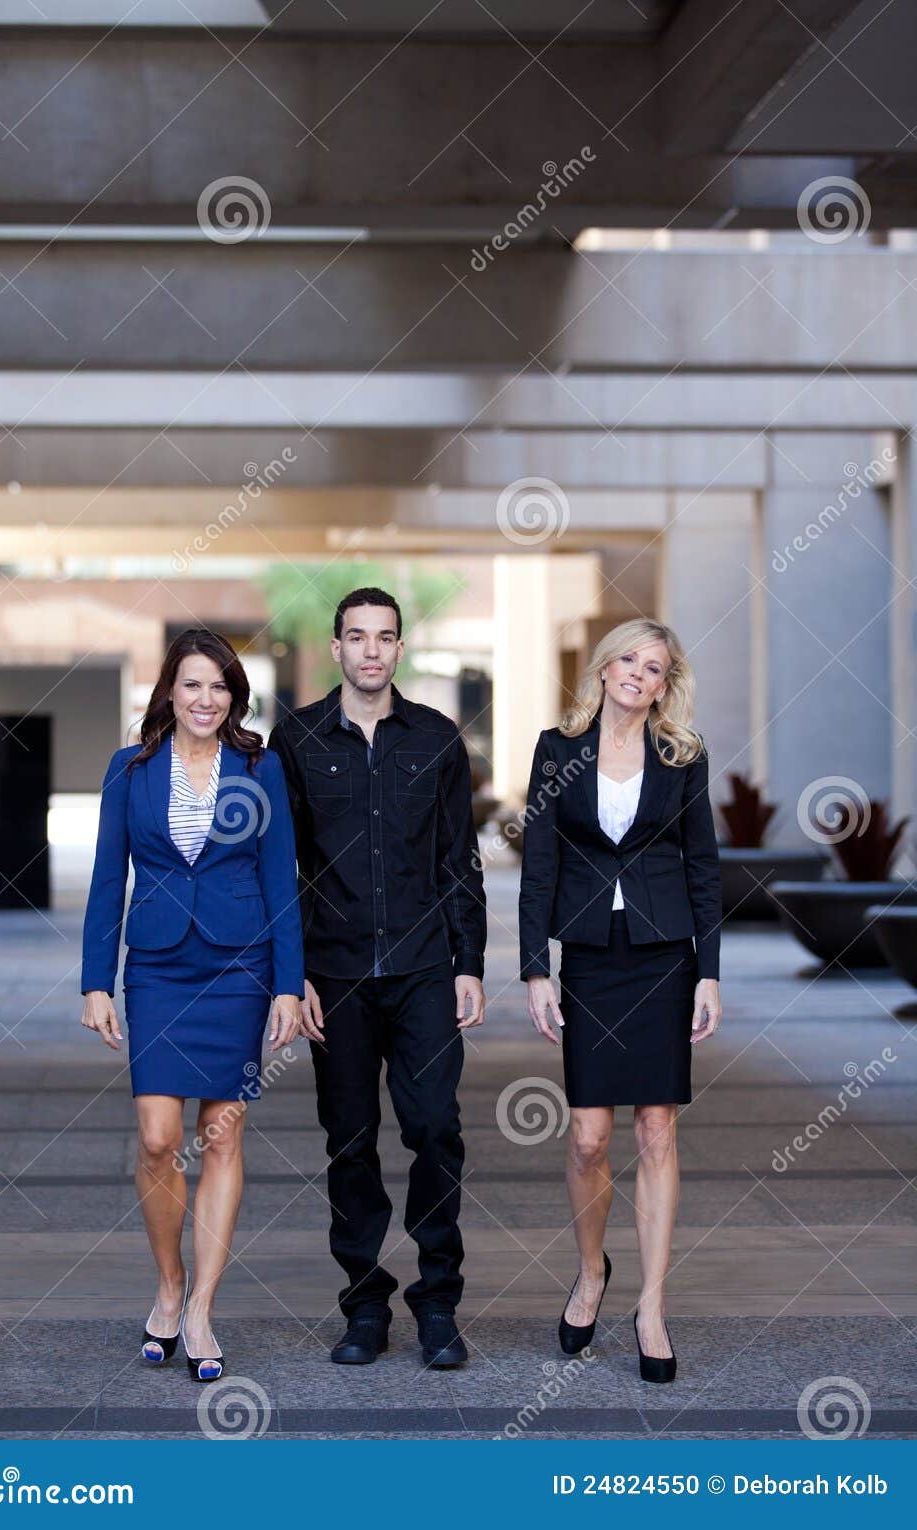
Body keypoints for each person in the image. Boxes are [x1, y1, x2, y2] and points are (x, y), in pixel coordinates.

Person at [268, 587, 487, 1369]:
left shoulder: (433, 739)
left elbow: (458, 859)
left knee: (434, 1130)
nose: (370, 650)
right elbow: (277, 870)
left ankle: (437, 1304)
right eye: (356, 637)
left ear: (400, 649)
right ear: (335, 649)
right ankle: (364, 1306)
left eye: (384, 637)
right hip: (337, 975)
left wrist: (470, 963)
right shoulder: (293, 739)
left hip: (425, 968)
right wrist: (290, 977)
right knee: (350, 1139)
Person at [80, 629, 303, 1382]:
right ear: (168, 692)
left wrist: (287, 985)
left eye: (220, 687)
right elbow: (108, 879)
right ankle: (167, 1283)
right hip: (158, 968)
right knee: (156, 1136)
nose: (206, 700)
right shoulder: (129, 770)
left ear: (234, 696)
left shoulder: (260, 767)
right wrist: (94, 983)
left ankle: (201, 1306)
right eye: (193, 685)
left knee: (223, 1134)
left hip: (240, 966)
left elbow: (281, 883)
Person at [518, 618, 722, 1385]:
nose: (641, 674)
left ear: (666, 684)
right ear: (603, 670)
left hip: (664, 956)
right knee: (587, 1137)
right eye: (630, 660)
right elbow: (539, 859)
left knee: (657, 1130)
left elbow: (701, 865)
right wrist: (535, 967)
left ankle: (651, 1308)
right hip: (592, 961)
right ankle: (591, 1271)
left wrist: (708, 972)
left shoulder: (682, 756)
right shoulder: (556, 750)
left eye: (657, 667)